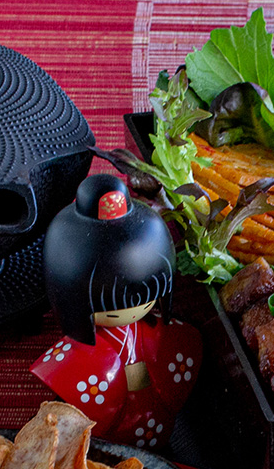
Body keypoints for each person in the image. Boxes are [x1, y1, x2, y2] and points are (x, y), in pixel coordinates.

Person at [31, 173, 201, 449]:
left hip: (156, 418)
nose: (131, 309)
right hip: (106, 429)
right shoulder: (80, 347)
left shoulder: (156, 333)